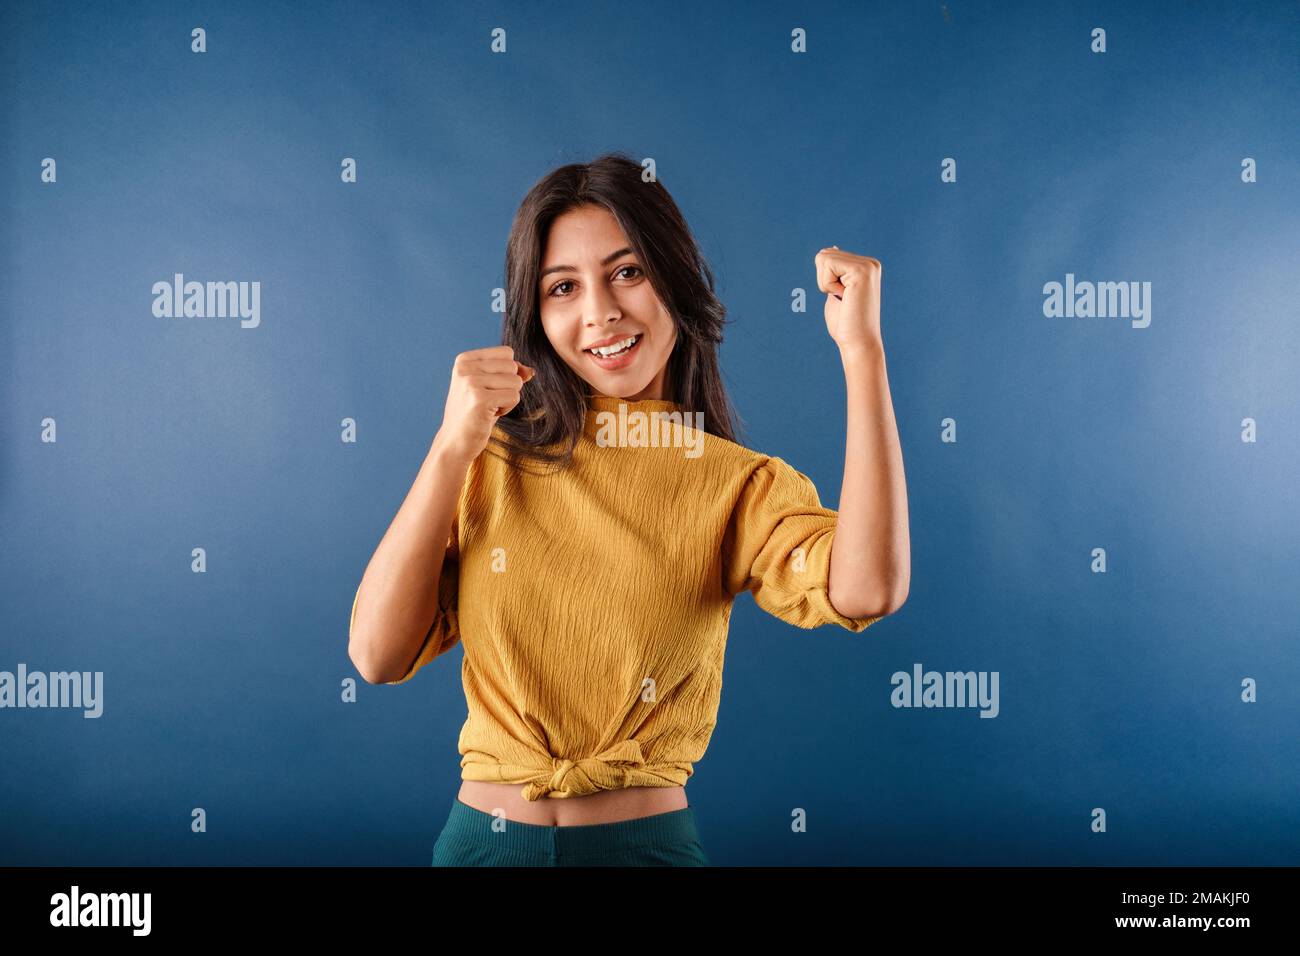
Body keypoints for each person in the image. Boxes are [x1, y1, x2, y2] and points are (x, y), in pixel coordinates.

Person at [347, 152, 911, 866]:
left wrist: (862, 352)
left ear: (674, 278)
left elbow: (869, 588)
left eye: (627, 272)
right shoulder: (488, 463)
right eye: (562, 287)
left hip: (642, 852)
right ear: (535, 315)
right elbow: (375, 655)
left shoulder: (734, 485)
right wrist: (450, 446)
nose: (601, 312)